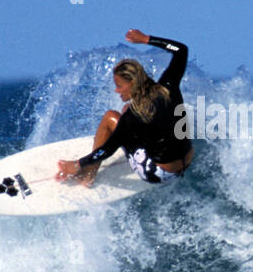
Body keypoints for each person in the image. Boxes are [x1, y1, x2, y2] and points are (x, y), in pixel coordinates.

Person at [56, 29, 194, 186]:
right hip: (187, 161)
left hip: (160, 174)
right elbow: (181, 50)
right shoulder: (168, 86)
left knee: (110, 117)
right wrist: (146, 39)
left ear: (133, 84)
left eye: (119, 86)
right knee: (128, 112)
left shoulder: (132, 117)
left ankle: (89, 174)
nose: (116, 90)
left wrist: (77, 164)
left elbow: (106, 150)